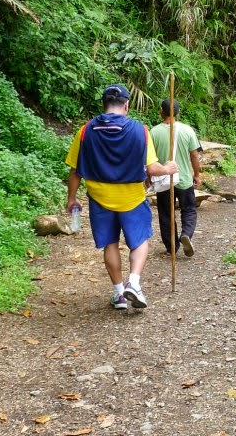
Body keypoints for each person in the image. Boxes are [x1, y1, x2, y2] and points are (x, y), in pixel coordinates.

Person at [65, 84, 178, 310]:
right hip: (132, 198)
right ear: (126, 105)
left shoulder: (85, 131)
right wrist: (168, 168)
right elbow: (152, 169)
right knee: (140, 241)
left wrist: (72, 198)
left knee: (110, 244)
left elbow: (75, 170)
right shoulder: (140, 131)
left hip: (99, 197)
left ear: (103, 104)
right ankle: (133, 284)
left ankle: (119, 294)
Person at [150, 99, 203, 257]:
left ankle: (171, 247)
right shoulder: (187, 131)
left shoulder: (154, 132)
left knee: (166, 213)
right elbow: (194, 155)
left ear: (161, 111)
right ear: (178, 112)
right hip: (184, 179)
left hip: (163, 179)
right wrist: (197, 174)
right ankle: (186, 233)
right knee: (189, 210)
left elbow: (149, 159)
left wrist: (148, 177)